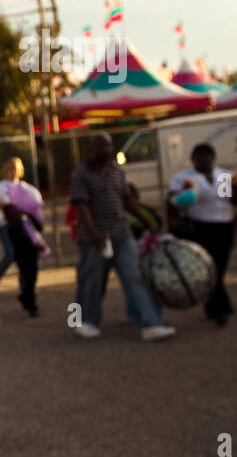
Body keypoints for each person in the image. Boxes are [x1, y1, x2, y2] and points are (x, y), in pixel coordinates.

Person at [69, 134, 175, 341]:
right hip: (95, 238)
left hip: (122, 234)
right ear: (91, 149)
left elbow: (127, 200)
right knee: (91, 281)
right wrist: (93, 234)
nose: (104, 149)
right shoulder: (81, 174)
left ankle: (151, 322)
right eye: (99, 146)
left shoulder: (117, 171)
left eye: (107, 145)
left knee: (135, 276)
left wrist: (147, 222)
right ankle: (85, 321)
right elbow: (81, 206)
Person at [168, 142, 237, 326]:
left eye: (208, 157)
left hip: (224, 226)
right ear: (194, 159)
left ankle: (214, 304)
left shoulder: (221, 176)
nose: (204, 161)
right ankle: (220, 308)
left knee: (219, 266)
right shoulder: (186, 178)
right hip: (200, 227)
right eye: (200, 157)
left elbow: (228, 200)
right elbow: (172, 202)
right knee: (210, 267)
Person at [0, 157, 45, 317]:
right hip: (8, 227)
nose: (13, 171)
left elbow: (37, 207)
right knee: (13, 254)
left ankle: (26, 290)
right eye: (10, 168)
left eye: (16, 168)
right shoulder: (1, 187)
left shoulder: (28, 189)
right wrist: (9, 206)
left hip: (26, 228)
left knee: (28, 260)